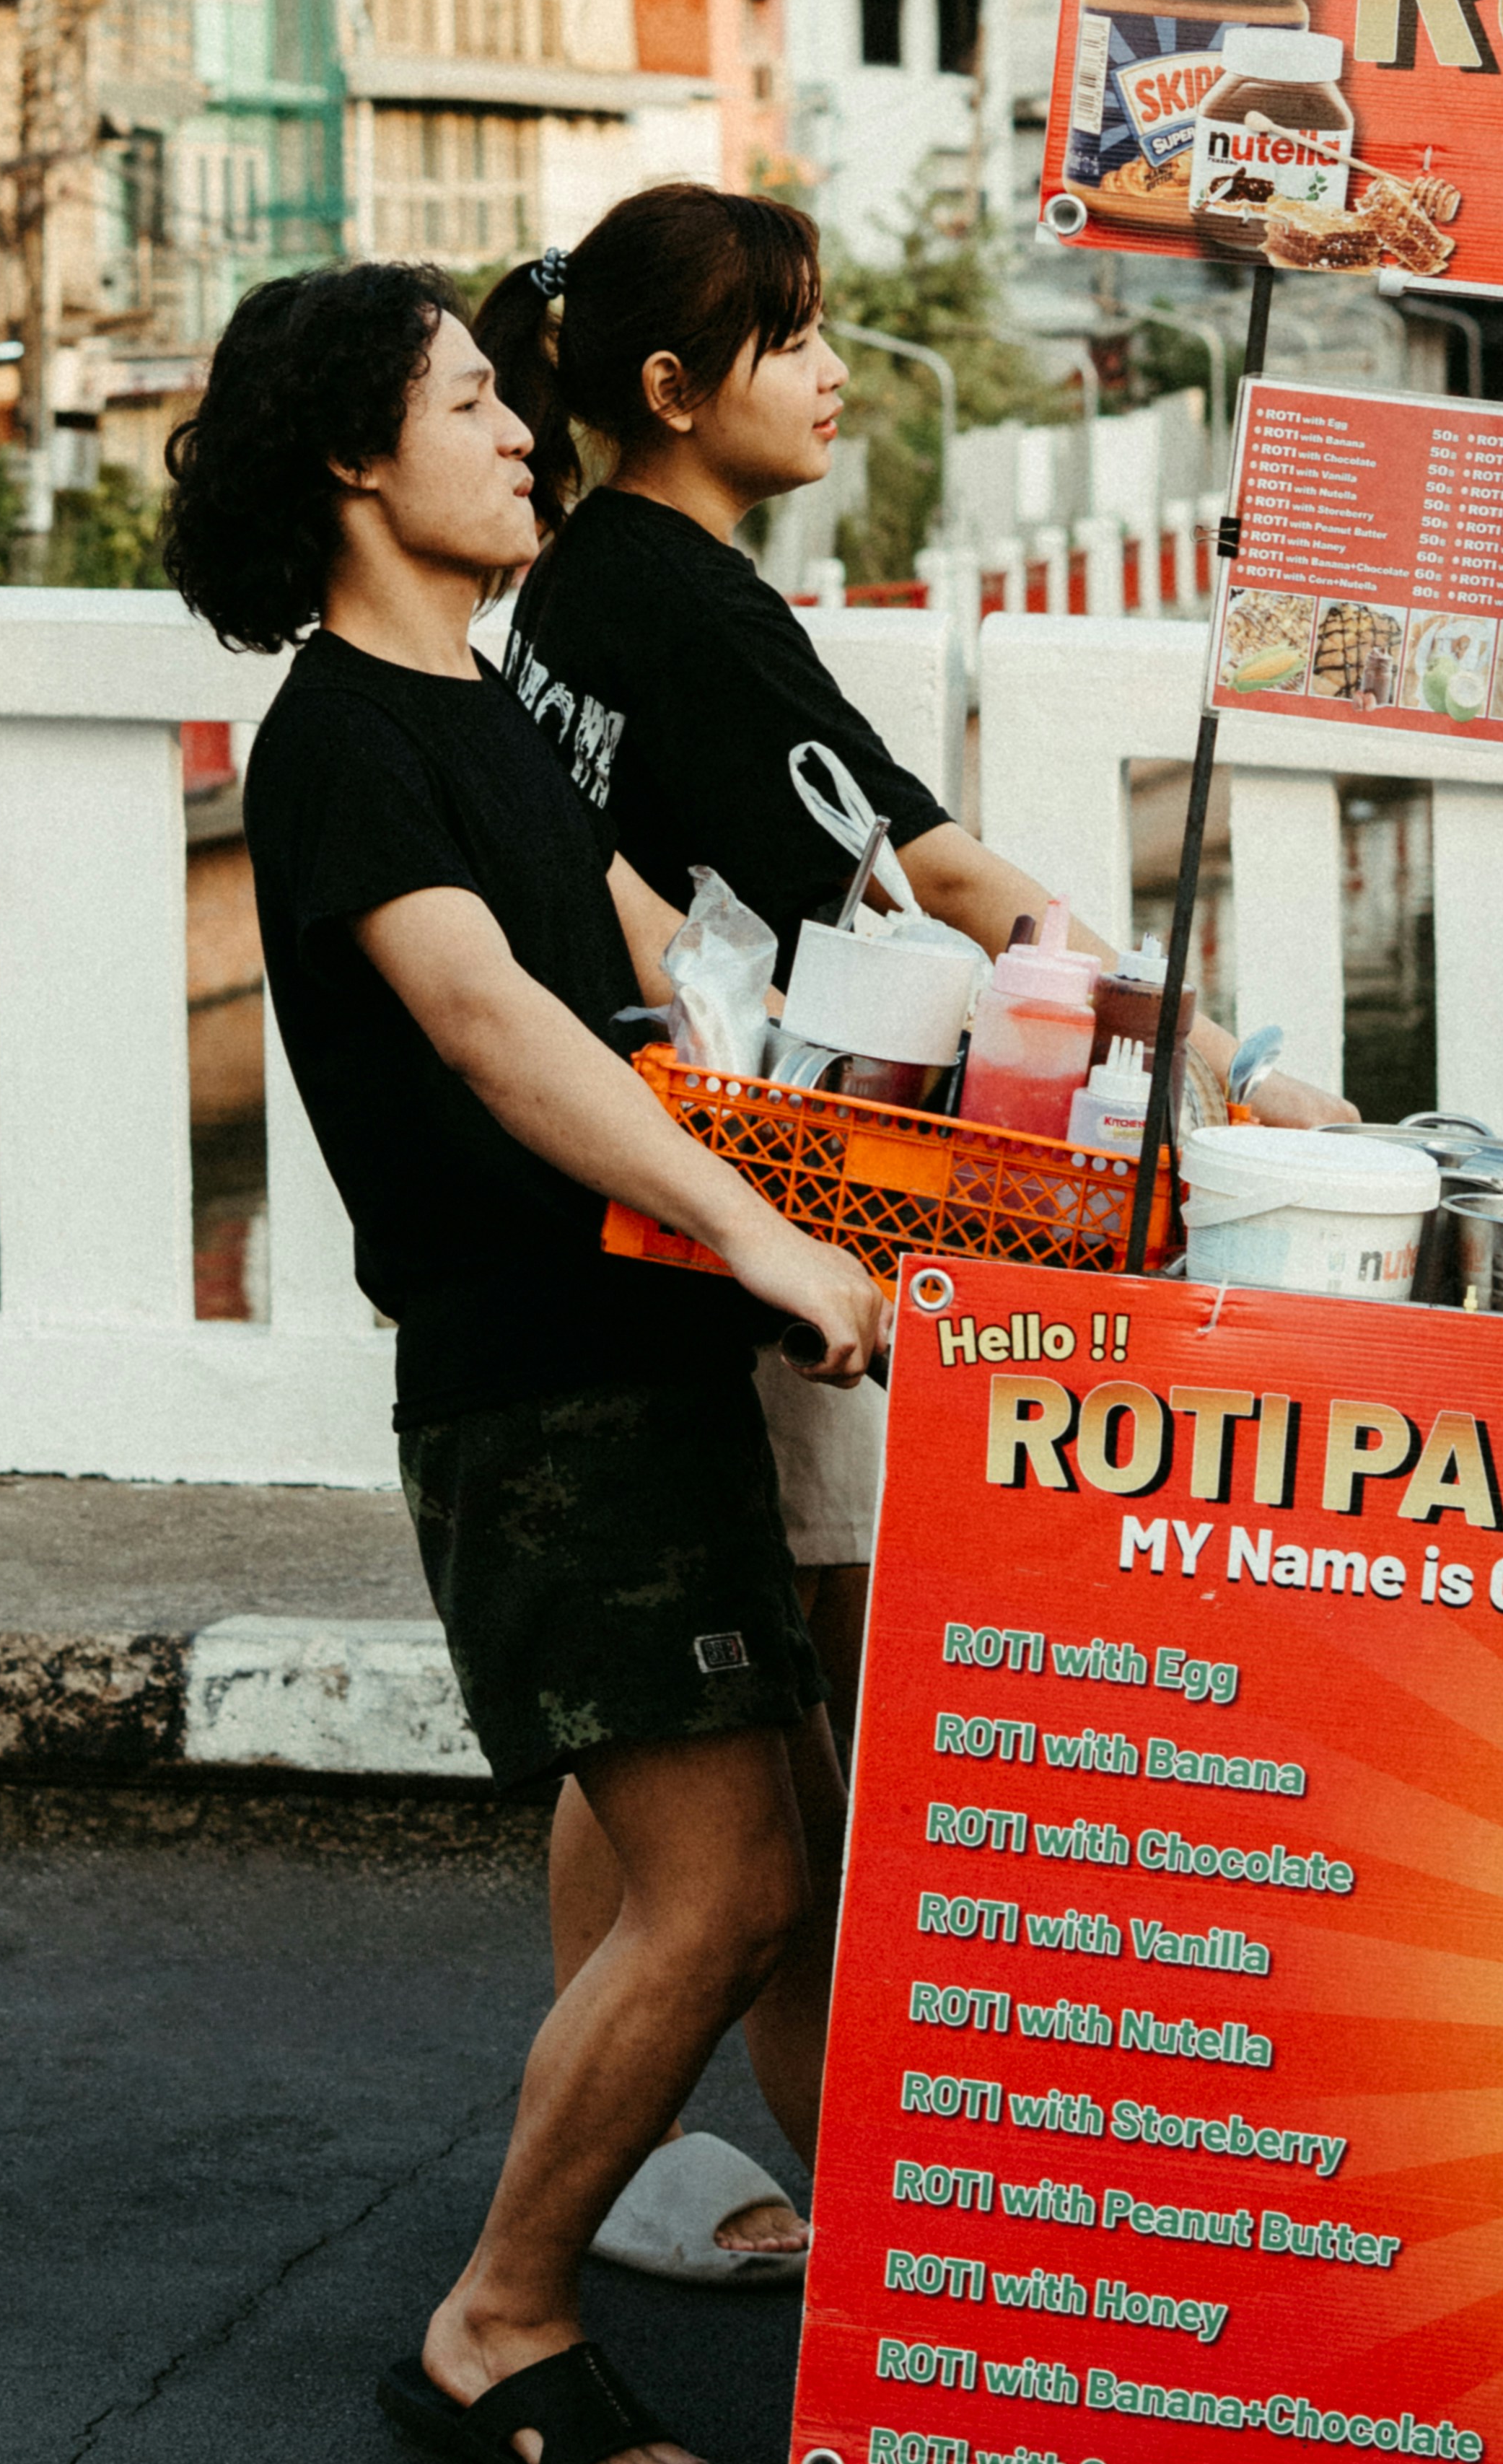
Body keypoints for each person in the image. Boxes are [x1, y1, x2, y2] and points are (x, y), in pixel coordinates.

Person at [478, 182, 1354, 2276]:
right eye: (793, 338)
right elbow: (940, 885)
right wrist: (1215, 1055)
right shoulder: (685, 605)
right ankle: (897, 2255)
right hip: (758, 1210)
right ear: (674, 391)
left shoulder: (575, 593)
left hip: (631, 1191)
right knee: (816, 1766)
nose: (837, 370)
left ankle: (605, 2125)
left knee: (655, 1733)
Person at [164, 258, 888, 2464]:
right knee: (722, 1891)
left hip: (640, 1353)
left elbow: (662, 997)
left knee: (787, 1866)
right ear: (356, 461)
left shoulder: (478, 704)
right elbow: (498, 1032)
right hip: (540, 1392)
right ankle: (501, 2318)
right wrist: (763, 1234)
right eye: (472, 402)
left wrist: (843, 1144)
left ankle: (860, 2284)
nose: (519, 433)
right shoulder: (341, 745)